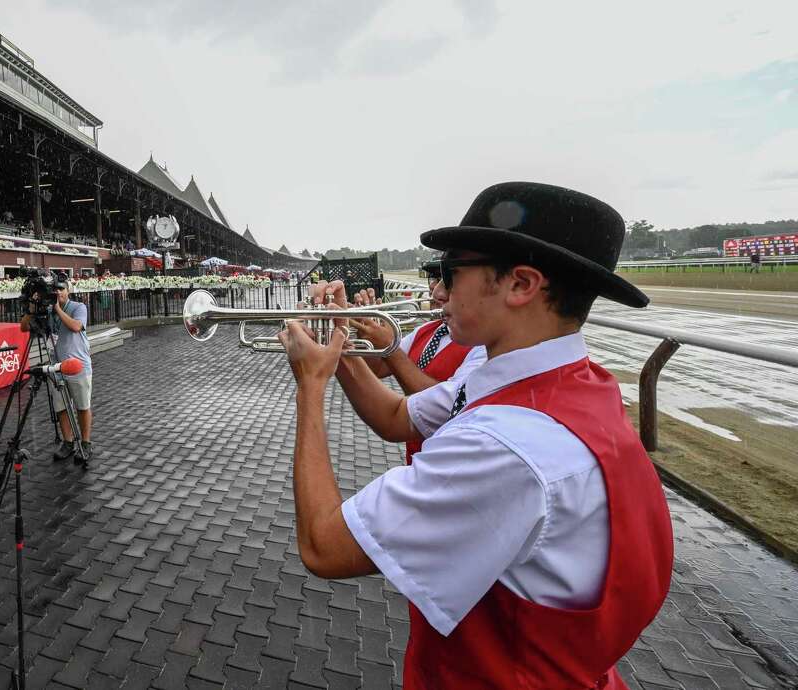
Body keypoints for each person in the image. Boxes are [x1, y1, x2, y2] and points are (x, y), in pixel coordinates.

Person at [279, 182, 673, 688]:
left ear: (520, 284)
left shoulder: (509, 445)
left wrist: (310, 389)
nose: (441, 289)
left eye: (452, 270)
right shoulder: (546, 379)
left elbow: (323, 547)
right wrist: (337, 341)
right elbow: (399, 416)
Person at [347, 260, 486, 464]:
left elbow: (448, 404)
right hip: (416, 457)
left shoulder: (482, 346)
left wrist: (389, 346)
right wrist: (367, 333)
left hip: (447, 463)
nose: (435, 289)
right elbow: (379, 367)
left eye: (445, 280)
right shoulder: (427, 330)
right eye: (434, 280)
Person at [20, 274, 93, 464]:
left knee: (82, 406)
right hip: (56, 367)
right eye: (55, 289)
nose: (58, 292)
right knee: (61, 407)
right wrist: (32, 309)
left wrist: (57, 309)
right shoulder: (47, 311)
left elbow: (77, 326)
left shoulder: (78, 307)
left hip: (78, 365)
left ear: (68, 291)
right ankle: (68, 442)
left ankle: (85, 443)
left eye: (61, 288)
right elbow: (23, 327)